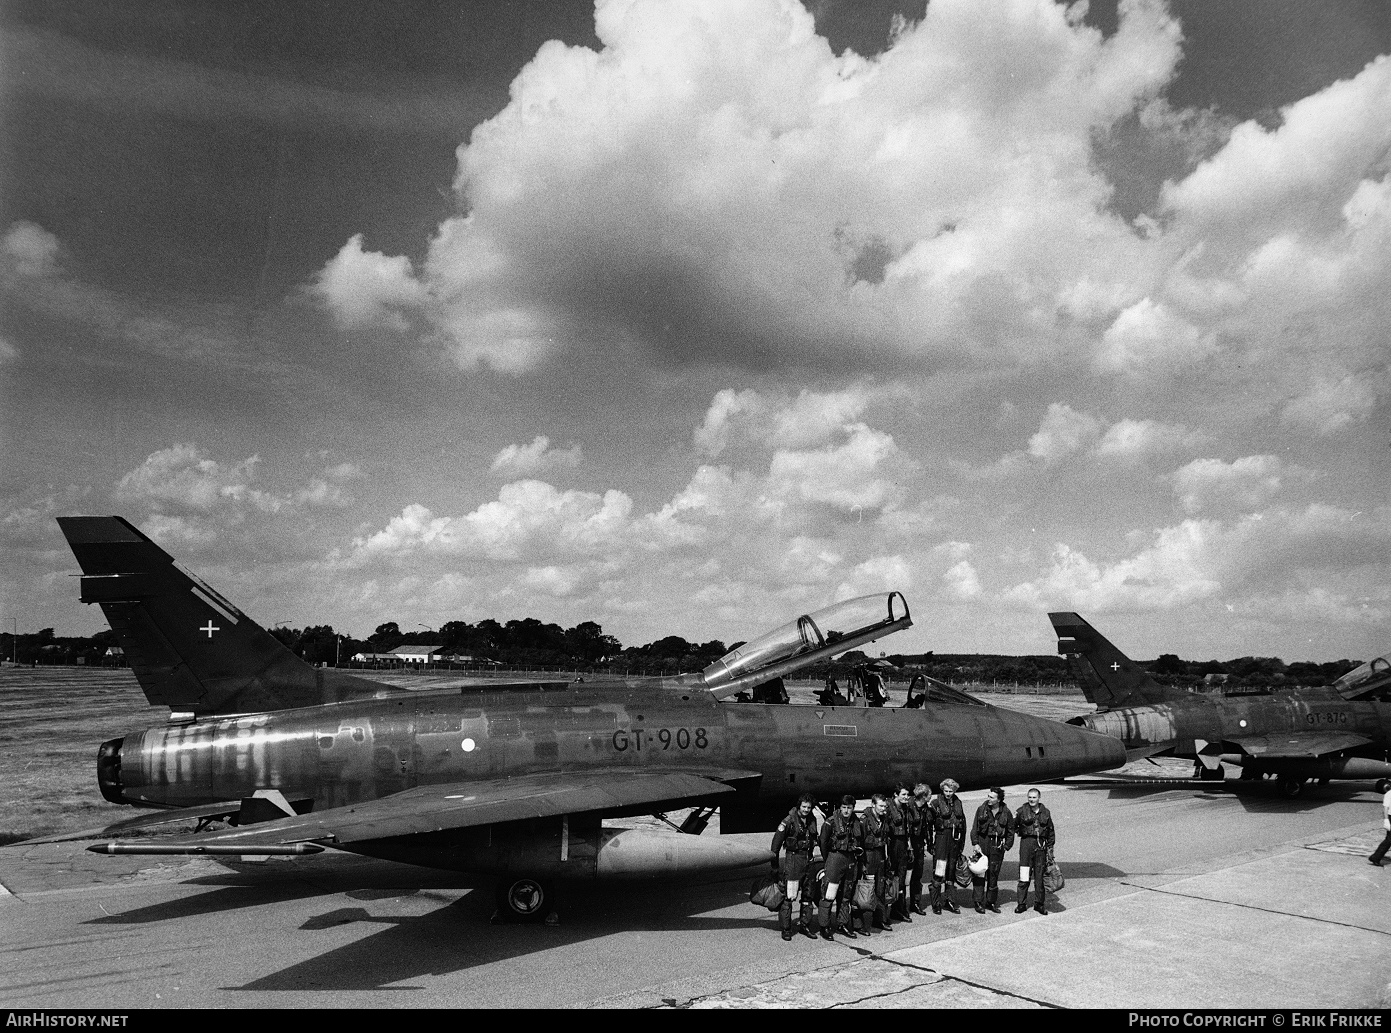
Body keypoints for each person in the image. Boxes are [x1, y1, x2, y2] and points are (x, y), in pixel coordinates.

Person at [770, 793, 820, 940]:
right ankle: (786, 928)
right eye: (804, 807)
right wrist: (775, 868)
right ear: (799, 806)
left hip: (808, 861)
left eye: (809, 807)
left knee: (808, 896)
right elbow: (775, 846)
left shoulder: (812, 820)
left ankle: (805, 925)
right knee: (789, 896)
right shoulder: (788, 821)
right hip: (793, 862)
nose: (806, 810)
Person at [817, 795, 863, 940]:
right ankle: (824, 926)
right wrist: (829, 860)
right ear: (840, 808)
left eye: (849, 808)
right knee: (829, 894)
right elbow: (823, 842)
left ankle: (842, 924)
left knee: (846, 895)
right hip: (835, 858)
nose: (846, 811)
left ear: (853, 808)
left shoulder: (856, 822)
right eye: (844, 808)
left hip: (850, 859)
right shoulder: (830, 822)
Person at [970, 787, 1014, 913]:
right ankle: (978, 902)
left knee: (993, 875)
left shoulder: (1006, 812)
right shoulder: (981, 809)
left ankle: (991, 902)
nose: (988, 799)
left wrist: (1006, 847)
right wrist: (975, 844)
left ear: (998, 799)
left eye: (992, 797)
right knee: (979, 874)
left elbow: (1011, 831)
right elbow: (975, 828)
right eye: (988, 796)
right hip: (983, 844)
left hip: (997, 846)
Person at [1013, 787, 1056, 914]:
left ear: (1039, 798)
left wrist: (1050, 848)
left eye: (1034, 797)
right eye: (1030, 797)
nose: (1032, 800)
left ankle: (1039, 904)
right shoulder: (1021, 811)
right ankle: (1021, 904)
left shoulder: (1046, 812)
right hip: (1026, 845)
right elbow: (1013, 826)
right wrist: (1021, 833)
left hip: (1041, 847)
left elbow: (1051, 831)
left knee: (1039, 876)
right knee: (1024, 875)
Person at [927, 777, 966, 913]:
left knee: (951, 872)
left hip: (954, 840)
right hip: (942, 839)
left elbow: (963, 825)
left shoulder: (958, 802)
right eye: (946, 791)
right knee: (939, 871)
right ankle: (936, 903)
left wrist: (961, 844)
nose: (948, 793)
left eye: (951, 791)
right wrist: (930, 844)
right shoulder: (936, 803)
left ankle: (950, 901)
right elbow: (928, 825)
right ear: (942, 790)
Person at [858, 793, 893, 933]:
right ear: (873, 805)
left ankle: (879, 920)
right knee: (867, 890)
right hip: (869, 857)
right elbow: (860, 842)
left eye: (885, 806)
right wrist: (862, 863)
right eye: (881, 806)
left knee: (880, 889)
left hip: (880, 856)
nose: (883, 808)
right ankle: (862, 924)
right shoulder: (864, 820)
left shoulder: (884, 819)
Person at [884, 784, 915, 922]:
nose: (906, 797)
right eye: (903, 795)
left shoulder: (905, 808)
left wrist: (909, 847)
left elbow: (907, 829)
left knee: (902, 879)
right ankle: (883, 914)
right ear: (896, 795)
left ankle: (899, 909)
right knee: (889, 879)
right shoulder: (888, 809)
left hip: (903, 845)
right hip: (892, 845)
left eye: (907, 795)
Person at [907, 783, 931, 915]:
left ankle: (915, 903)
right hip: (910, 846)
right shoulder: (909, 808)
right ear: (923, 796)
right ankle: (899, 906)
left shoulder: (926, 808)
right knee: (905, 877)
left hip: (920, 845)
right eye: (929, 795)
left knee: (917, 875)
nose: (931, 797)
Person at [1370, 782, 1391, 866]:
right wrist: (1386, 820)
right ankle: (1376, 857)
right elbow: (1385, 808)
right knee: (1389, 840)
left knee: (1389, 840)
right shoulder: (1389, 794)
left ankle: (1375, 857)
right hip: (1390, 817)